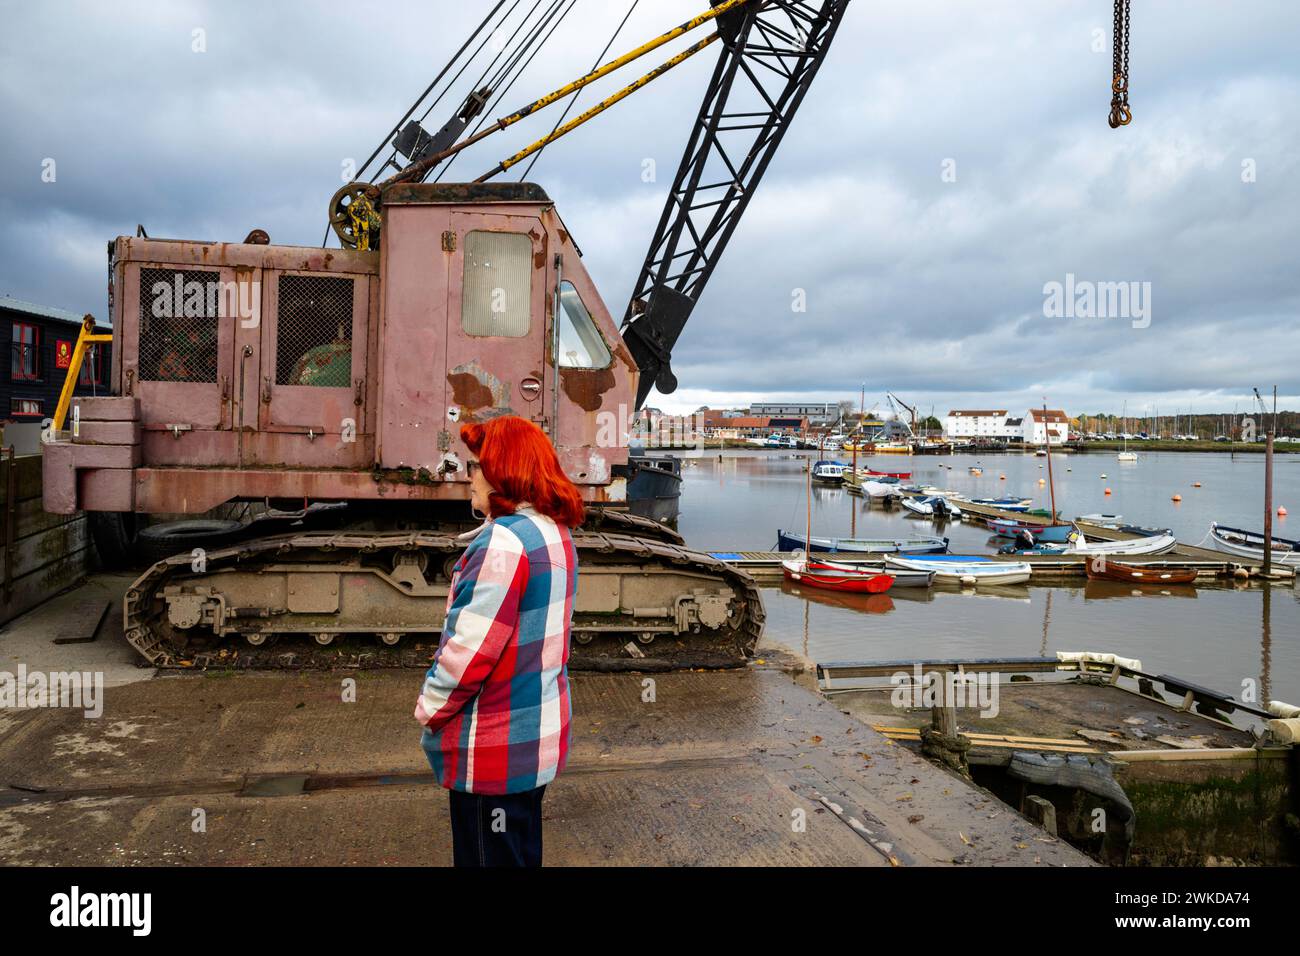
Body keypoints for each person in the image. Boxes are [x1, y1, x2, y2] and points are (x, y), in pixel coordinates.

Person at [414, 415, 584, 867]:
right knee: (518, 853)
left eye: (477, 465)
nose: (469, 475)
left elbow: (470, 654)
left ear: (503, 469)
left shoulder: (505, 544)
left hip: (493, 748)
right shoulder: (554, 534)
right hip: (536, 738)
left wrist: (431, 709)